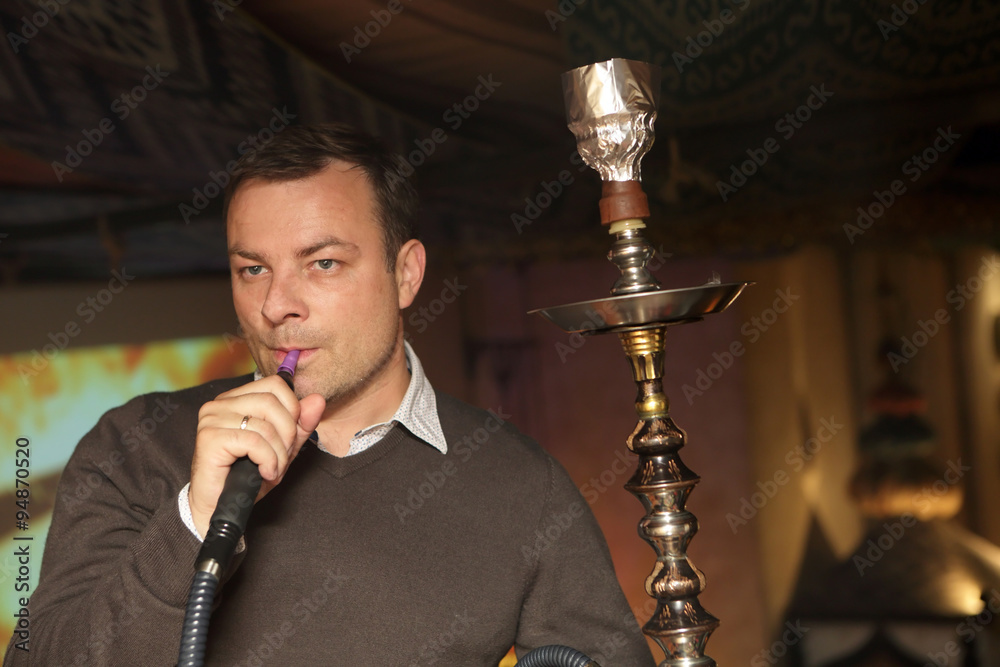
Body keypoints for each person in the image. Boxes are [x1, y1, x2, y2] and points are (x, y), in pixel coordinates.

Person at [4, 123, 655, 666]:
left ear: (406, 274)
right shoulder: (135, 444)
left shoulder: (518, 481)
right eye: (252, 268)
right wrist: (193, 521)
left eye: (322, 263)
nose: (276, 306)